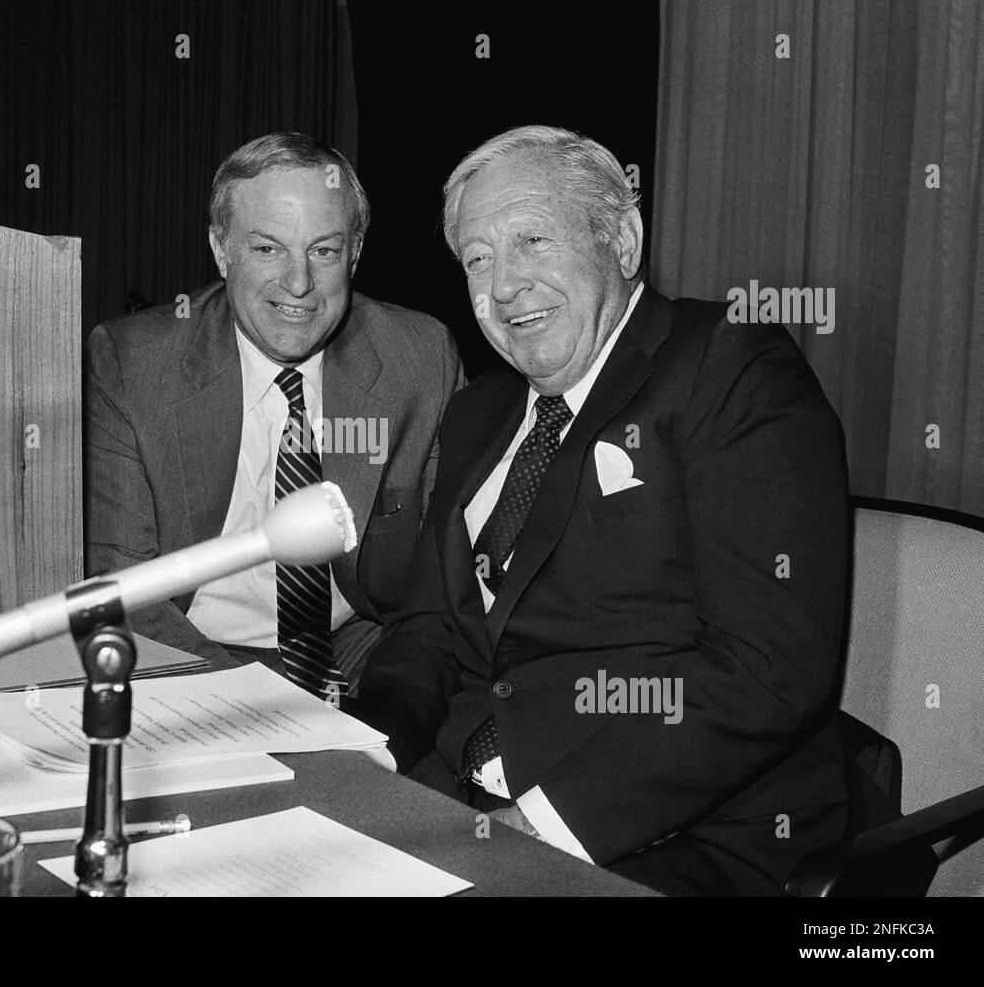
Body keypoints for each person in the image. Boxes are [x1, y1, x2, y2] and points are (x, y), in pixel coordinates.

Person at [352, 124, 881, 895]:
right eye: (478, 258)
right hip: (464, 794)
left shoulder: (732, 369)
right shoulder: (481, 413)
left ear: (623, 241)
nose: (503, 286)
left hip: (678, 834)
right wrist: (358, 750)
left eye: (532, 239)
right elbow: (429, 631)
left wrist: (534, 828)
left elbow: (765, 670)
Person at [86, 132, 463, 698]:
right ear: (221, 248)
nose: (298, 283)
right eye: (268, 249)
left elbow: (447, 573)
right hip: (190, 654)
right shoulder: (133, 364)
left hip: (362, 648)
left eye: (324, 251)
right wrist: (262, 704)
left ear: (355, 252)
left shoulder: (420, 355)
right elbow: (125, 592)